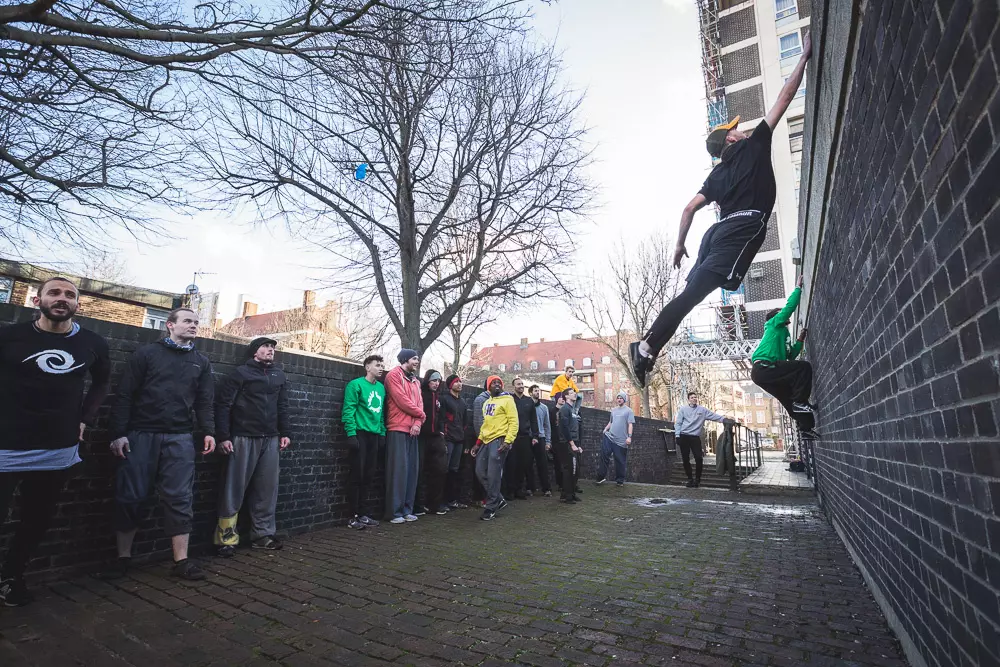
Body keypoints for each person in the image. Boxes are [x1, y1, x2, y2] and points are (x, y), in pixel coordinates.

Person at [630, 34, 813, 388]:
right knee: (694, 295)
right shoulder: (754, 144)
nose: (741, 130)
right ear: (729, 139)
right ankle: (647, 346)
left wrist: (679, 246)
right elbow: (784, 98)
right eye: (735, 129)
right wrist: (803, 58)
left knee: (689, 296)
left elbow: (688, 210)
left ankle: (647, 347)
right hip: (738, 230)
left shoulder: (715, 175)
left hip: (713, 236)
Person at [0, 277, 111, 606]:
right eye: (54, 292)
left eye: (70, 295)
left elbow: (102, 384)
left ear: (78, 305)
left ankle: (11, 577)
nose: (62, 298)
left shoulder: (93, 343)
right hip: (5, 445)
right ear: (38, 300)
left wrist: (83, 419)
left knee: (36, 520)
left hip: (57, 449)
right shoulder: (9, 336)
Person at [103, 307, 216, 581]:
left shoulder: (201, 361)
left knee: (180, 497)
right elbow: (124, 395)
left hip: (180, 438)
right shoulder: (146, 354)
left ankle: (182, 561)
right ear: (169, 325)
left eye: (196, 322)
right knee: (131, 495)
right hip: (141, 434)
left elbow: (204, 402)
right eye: (187, 321)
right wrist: (118, 433)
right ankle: (123, 558)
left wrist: (209, 431)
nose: (193, 326)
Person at [213, 337, 291, 556]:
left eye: (273, 348)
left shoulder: (279, 375)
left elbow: (283, 406)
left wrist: (285, 433)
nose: (270, 350)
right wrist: (223, 436)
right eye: (266, 346)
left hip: (271, 439)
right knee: (233, 489)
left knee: (267, 489)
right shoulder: (240, 373)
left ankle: (262, 535)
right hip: (242, 437)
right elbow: (223, 405)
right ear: (255, 351)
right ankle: (226, 538)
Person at [751, 276, 820, 438]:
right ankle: (801, 402)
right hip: (764, 367)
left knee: (789, 398)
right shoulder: (774, 324)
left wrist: (800, 340)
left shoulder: (783, 336)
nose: (785, 317)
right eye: (781, 314)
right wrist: (798, 288)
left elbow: (791, 355)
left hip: (766, 373)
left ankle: (805, 429)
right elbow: (789, 308)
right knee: (804, 367)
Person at [341, 355, 386, 530]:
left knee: (368, 476)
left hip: (374, 436)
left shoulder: (381, 388)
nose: (381, 368)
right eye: (377, 365)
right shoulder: (356, 385)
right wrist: (351, 434)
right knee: (356, 476)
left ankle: (363, 514)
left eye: (382, 365)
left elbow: (381, 413)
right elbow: (348, 410)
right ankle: (352, 516)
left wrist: (382, 434)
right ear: (367, 367)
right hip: (359, 434)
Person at [384, 349, 424, 524]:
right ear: (405, 359)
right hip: (397, 428)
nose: (417, 361)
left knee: (411, 471)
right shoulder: (393, 376)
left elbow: (419, 403)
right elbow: (402, 401)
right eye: (415, 358)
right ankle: (394, 512)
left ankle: (407, 509)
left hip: (413, 430)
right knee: (398, 471)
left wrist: (417, 423)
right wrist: (421, 416)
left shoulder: (415, 381)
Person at [472, 376, 518, 521]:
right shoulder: (487, 403)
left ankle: (490, 508)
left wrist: (508, 440)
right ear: (488, 387)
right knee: (479, 471)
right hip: (485, 441)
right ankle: (499, 499)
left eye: (499, 383)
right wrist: (477, 443)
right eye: (494, 383)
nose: (497, 384)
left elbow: (514, 422)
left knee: (493, 475)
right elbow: (485, 425)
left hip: (499, 440)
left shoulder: (508, 400)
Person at [673, 392, 734, 488]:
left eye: (695, 397)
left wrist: (724, 420)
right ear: (688, 399)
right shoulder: (683, 409)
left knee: (699, 458)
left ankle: (697, 480)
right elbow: (678, 423)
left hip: (695, 437)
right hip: (684, 436)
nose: (694, 399)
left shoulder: (702, 410)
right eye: (692, 397)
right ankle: (690, 479)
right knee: (685, 459)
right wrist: (677, 435)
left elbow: (713, 416)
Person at [418, 369, 449, 515]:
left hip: (437, 437)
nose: (436, 383)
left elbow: (442, 417)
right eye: (433, 380)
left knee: (440, 470)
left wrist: (442, 431)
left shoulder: (440, 398)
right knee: (420, 470)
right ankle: (418, 504)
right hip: (421, 437)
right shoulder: (421, 395)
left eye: (438, 381)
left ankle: (434, 504)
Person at [439, 374, 469, 510]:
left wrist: (465, 441)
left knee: (454, 469)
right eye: (457, 382)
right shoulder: (444, 399)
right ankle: (442, 500)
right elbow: (441, 418)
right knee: (444, 468)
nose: (460, 384)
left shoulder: (462, 402)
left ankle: (452, 499)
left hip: (459, 439)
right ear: (450, 384)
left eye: (461, 382)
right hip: (448, 438)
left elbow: (465, 422)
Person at [510, 377, 539, 499]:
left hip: (526, 436)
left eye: (522, 384)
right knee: (512, 464)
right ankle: (510, 490)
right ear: (514, 386)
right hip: (512, 437)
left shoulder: (529, 401)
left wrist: (535, 435)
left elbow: (533, 420)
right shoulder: (509, 400)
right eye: (518, 384)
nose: (521, 386)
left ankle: (519, 490)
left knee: (523, 464)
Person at [597, 391, 635, 487]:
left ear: (624, 399)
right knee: (604, 455)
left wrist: (629, 437)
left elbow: (630, 424)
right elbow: (611, 422)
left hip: (621, 441)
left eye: (621, 398)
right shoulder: (613, 410)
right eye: (618, 398)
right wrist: (605, 429)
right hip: (609, 437)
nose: (619, 399)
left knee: (620, 460)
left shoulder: (629, 411)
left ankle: (620, 480)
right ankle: (601, 477)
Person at [557, 388, 583, 503]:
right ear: (566, 397)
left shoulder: (573, 410)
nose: (575, 394)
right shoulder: (565, 409)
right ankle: (568, 496)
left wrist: (578, 444)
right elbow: (564, 428)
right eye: (572, 393)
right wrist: (572, 444)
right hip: (567, 443)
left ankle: (569, 493)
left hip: (574, 442)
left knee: (575, 470)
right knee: (570, 469)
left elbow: (576, 428)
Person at [529, 385, 552, 497]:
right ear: (530, 393)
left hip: (541, 437)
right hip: (528, 437)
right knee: (528, 464)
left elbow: (547, 425)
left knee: (542, 464)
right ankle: (530, 488)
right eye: (535, 391)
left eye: (538, 391)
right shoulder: (527, 406)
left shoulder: (544, 408)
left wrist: (548, 441)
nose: (538, 392)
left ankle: (546, 488)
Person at [548, 393, 565, 493]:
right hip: (556, 440)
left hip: (565, 440)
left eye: (563, 398)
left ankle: (566, 483)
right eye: (560, 398)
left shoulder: (566, 410)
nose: (562, 399)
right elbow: (550, 426)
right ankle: (560, 484)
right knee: (558, 463)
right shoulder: (552, 411)